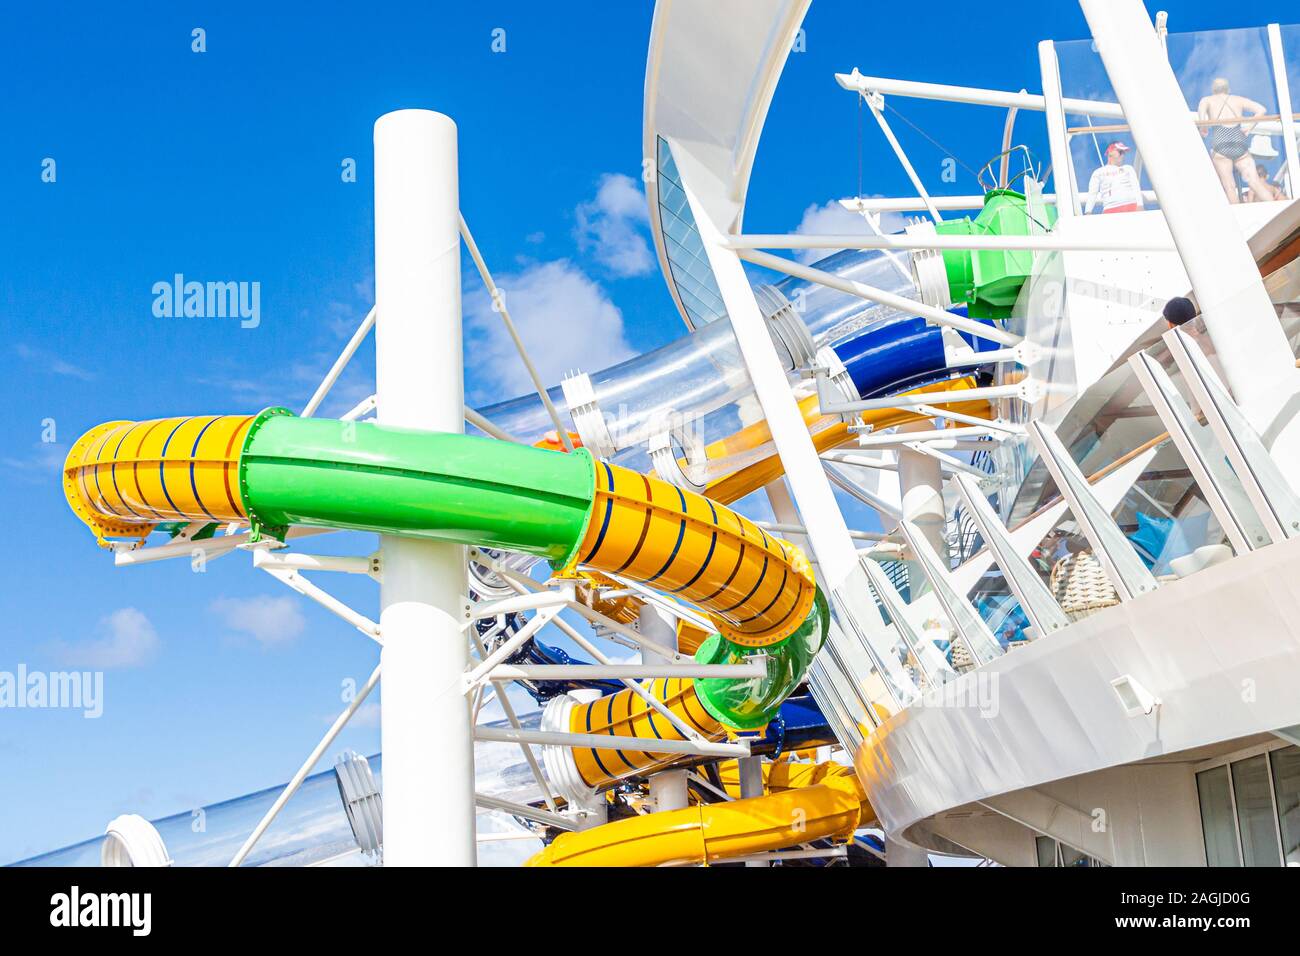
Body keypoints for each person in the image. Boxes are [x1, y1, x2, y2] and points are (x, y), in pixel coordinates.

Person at [1198, 78, 1271, 204]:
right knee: (1254, 182)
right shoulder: (1238, 100)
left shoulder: (1206, 100)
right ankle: (1275, 208)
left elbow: (1202, 119)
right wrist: (1249, 127)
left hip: (1221, 144)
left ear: (1213, 89)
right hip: (1239, 143)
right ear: (1228, 89)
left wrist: (1204, 129)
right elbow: (1261, 110)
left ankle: (1238, 218)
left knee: (1230, 187)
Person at [1085, 141, 1144, 213]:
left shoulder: (1128, 168)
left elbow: (1136, 187)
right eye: (1120, 152)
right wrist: (1088, 211)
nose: (1123, 155)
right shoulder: (1098, 172)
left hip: (1131, 206)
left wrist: (1140, 205)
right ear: (1110, 152)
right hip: (1110, 209)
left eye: (1124, 153)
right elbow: (1092, 193)